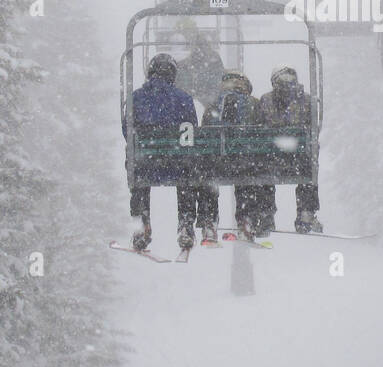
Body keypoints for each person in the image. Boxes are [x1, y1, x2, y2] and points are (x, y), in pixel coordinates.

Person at [124, 53, 198, 252]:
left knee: (138, 182)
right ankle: (185, 225)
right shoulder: (183, 98)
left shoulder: (136, 98)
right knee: (187, 182)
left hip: (145, 164)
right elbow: (191, 131)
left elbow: (127, 131)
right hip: (176, 164)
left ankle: (141, 226)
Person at [253, 65, 323, 234]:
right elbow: (314, 130)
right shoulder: (307, 100)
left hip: (271, 160)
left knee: (261, 165)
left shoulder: (265, 100)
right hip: (299, 161)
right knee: (311, 164)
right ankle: (306, 212)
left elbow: (259, 129)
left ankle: (266, 214)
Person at [201, 69, 262, 240]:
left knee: (207, 179)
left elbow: (204, 138)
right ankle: (245, 222)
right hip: (246, 165)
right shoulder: (254, 104)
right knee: (249, 175)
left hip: (217, 165)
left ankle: (210, 223)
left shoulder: (212, 107)